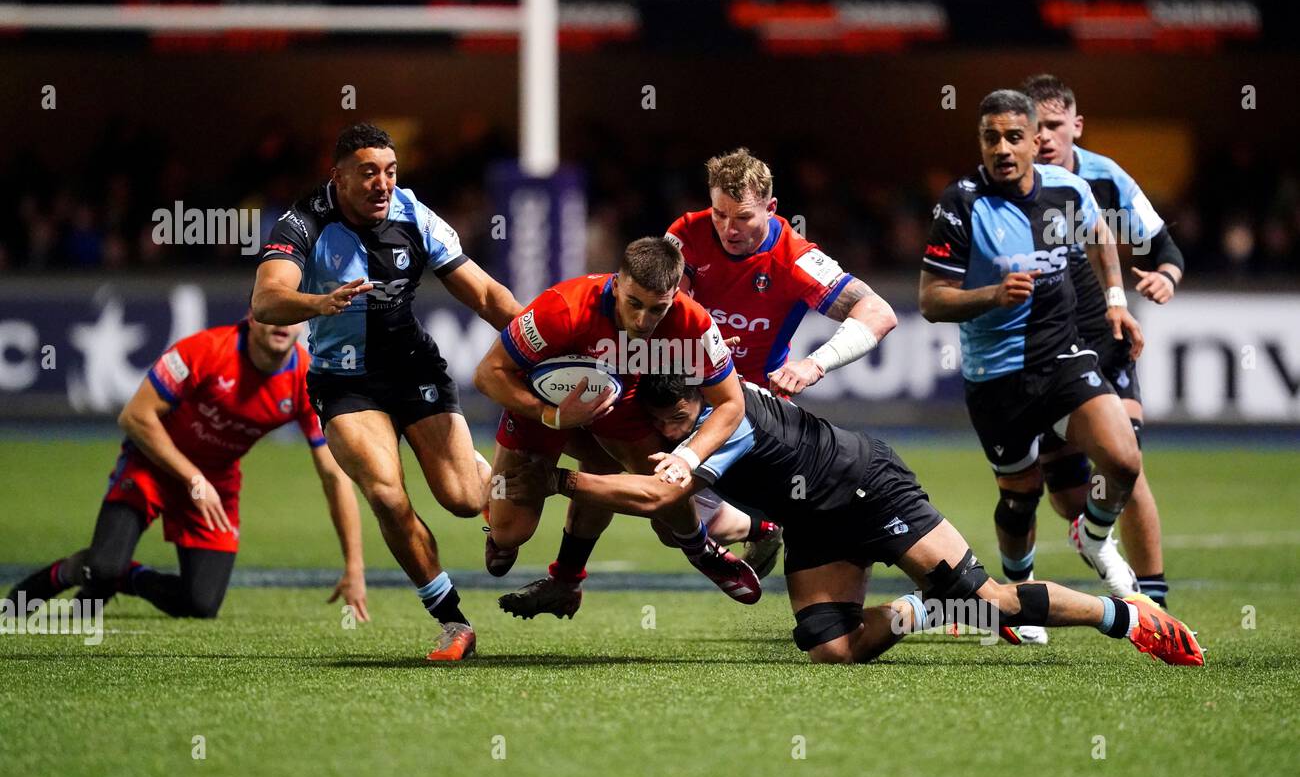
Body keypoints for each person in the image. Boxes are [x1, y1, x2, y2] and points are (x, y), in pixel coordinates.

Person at [500, 374, 1203, 667]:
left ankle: (1129, 616)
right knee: (831, 650)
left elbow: (658, 498)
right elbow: (656, 484)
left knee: (987, 599)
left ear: (700, 401)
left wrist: (555, 480)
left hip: (865, 485)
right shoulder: (697, 400)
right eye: (663, 423)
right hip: (812, 517)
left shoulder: (726, 420)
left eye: (680, 418)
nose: (673, 432)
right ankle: (924, 613)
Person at [252, 122, 521, 661]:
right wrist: (318, 303)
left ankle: (484, 480)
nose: (382, 184)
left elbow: (487, 295)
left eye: (391, 172)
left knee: (465, 501)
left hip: (412, 369)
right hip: (344, 380)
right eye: (368, 173)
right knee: (386, 493)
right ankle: (453, 625)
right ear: (339, 177)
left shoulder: (414, 215)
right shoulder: (303, 222)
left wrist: (540, 344)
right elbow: (266, 301)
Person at [918, 89, 1149, 644]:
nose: (1002, 148)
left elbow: (1099, 235)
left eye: (1013, 137)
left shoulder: (1068, 190)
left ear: (1033, 141)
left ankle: (1094, 536)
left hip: (1062, 358)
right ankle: (1015, 604)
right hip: (996, 377)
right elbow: (930, 300)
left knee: (1122, 460)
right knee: (1020, 497)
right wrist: (991, 296)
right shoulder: (962, 204)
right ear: (980, 141)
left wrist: (1116, 299)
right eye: (990, 137)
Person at [6, 318, 366, 621]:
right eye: (272, 311)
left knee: (201, 603)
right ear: (252, 313)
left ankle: (121, 575)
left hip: (216, 483)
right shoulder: (205, 350)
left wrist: (354, 566)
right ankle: (81, 569)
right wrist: (192, 477)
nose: (280, 323)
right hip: (151, 464)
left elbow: (334, 474)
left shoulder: (308, 379)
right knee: (101, 569)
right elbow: (134, 416)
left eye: (291, 314)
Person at [474, 236, 758, 619]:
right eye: (635, 304)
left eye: (658, 309)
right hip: (542, 404)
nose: (643, 321)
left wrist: (687, 460)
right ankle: (483, 486)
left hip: (617, 405)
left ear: (675, 294)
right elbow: (488, 374)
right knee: (512, 531)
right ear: (617, 282)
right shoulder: (563, 308)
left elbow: (732, 402)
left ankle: (700, 551)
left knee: (665, 491)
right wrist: (551, 415)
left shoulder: (692, 322)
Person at [662, 147, 900, 576]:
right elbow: (665, 306)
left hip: (756, 405)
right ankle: (762, 527)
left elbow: (880, 313)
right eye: (719, 214)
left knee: (673, 506)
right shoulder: (686, 233)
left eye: (743, 217)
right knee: (668, 517)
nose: (728, 229)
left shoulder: (795, 256)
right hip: (693, 394)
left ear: (770, 209)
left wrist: (814, 365)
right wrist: (697, 337)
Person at [1023, 74, 1185, 610]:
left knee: (1126, 462)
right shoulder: (1011, 187)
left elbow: (1165, 247)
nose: (1044, 136)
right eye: (1034, 126)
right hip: (1042, 347)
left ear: (1077, 125)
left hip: (1104, 335)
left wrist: (1166, 275)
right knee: (1069, 496)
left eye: (1054, 125)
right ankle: (1089, 529)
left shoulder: (1105, 179)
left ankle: (1155, 597)